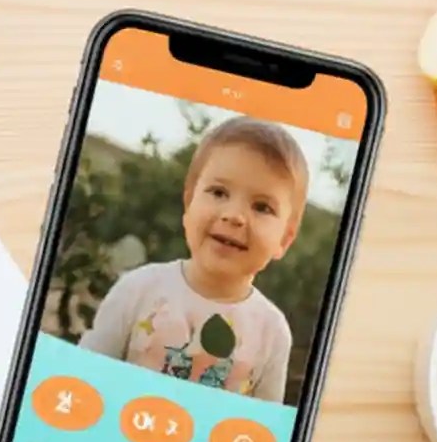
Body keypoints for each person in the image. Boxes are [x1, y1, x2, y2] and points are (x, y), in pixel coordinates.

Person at [79, 115, 307, 404]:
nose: (234, 215)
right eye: (219, 192)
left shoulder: (272, 332)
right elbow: (83, 380)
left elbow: (260, 432)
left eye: (262, 207)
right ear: (189, 204)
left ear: (285, 239)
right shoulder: (138, 289)